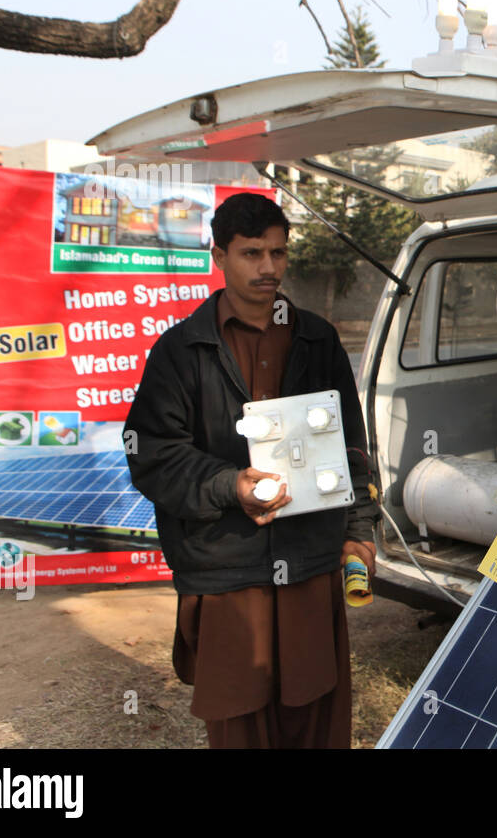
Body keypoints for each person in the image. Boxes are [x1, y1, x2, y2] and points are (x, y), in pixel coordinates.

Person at [125, 192, 379, 748]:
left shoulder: (317, 339)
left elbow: (351, 447)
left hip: (310, 558)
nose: (269, 268)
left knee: (315, 708)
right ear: (219, 256)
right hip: (227, 563)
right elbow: (152, 453)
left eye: (279, 253)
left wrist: (359, 530)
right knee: (240, 716)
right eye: (251, 254)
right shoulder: (180, 351)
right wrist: (229, 485)